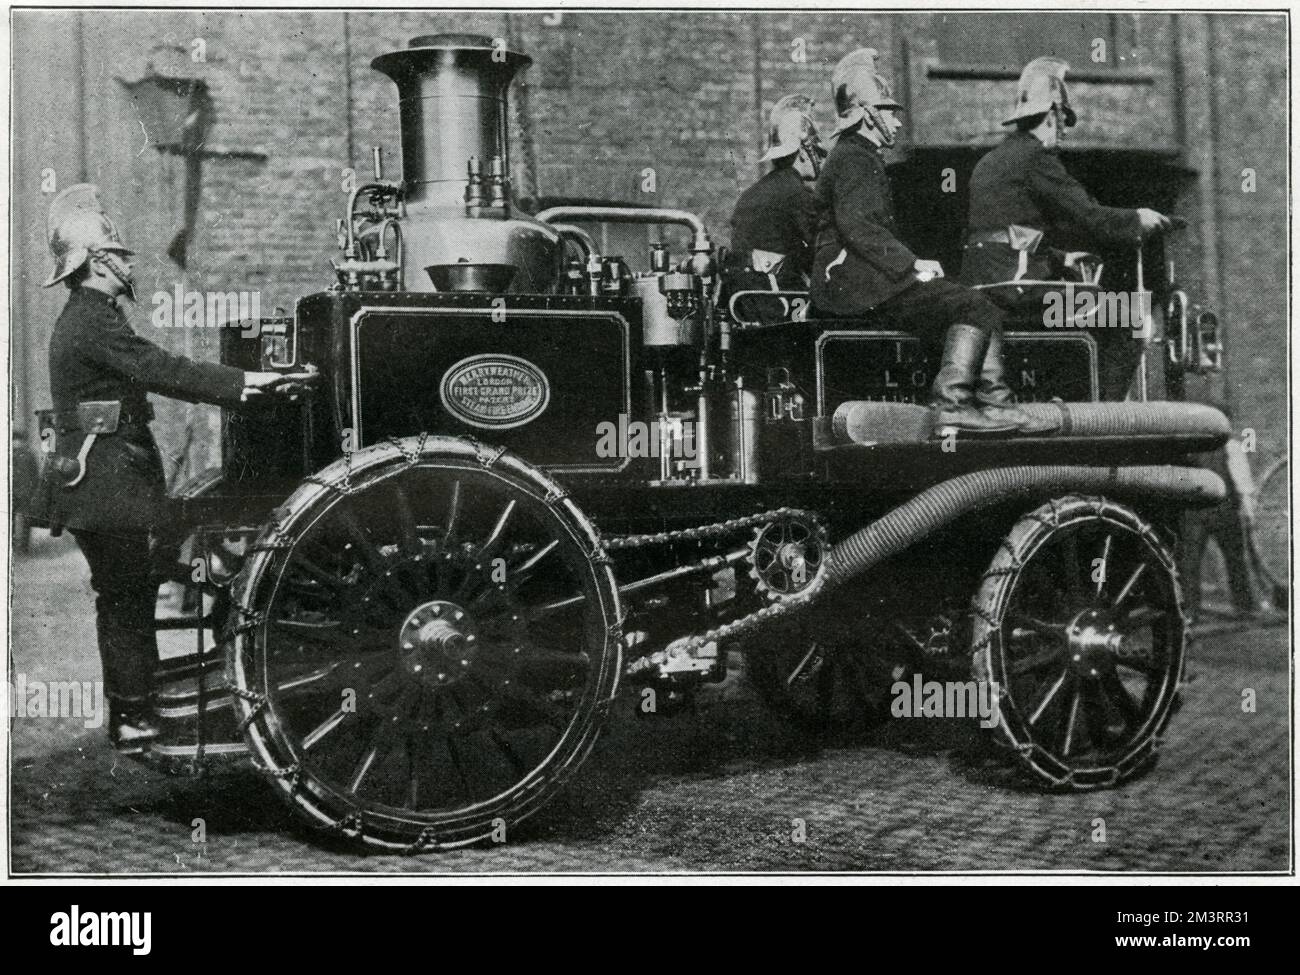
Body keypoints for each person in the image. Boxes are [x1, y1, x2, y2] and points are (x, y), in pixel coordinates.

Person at [39, 184, 310, 754]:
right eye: (118, 257)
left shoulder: (87, 316)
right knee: (125, 596)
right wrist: (245, 383)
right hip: (108, 485)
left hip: (103, 484)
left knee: (126, 593)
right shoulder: (92, 319)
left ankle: (140, 708)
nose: (127, 266)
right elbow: (161, 368)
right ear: (98, 263)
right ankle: (135, 716)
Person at [811, 49, 1051, 435]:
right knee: (973, 305)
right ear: (867, 113)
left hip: (857, 282)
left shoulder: (854, 156)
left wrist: (911, 265)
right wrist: (912, 265)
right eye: (889, 111)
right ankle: (956, 406)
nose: (897, 120)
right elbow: (860, 227)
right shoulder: (855, 159)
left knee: (973, 305)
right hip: (858, 285)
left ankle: (993, 404)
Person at [961, 56, 1172, 288]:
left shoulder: (989, 161)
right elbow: (1087, 215)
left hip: (979, 283)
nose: (1065, 130)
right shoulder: (1036, 158)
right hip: (1016, 283)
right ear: (1052, 116)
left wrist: (1061, 259)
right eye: (1064, 117)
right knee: (1118, 312)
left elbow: (1009, 234)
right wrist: (1137, 219)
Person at [727, 93, 825, 289]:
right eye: (818, 151)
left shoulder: (754, 192)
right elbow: (820, 250)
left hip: (745, 297)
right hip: (777, 298)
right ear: (804, 152)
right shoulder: (796, 193)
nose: (822, 159)